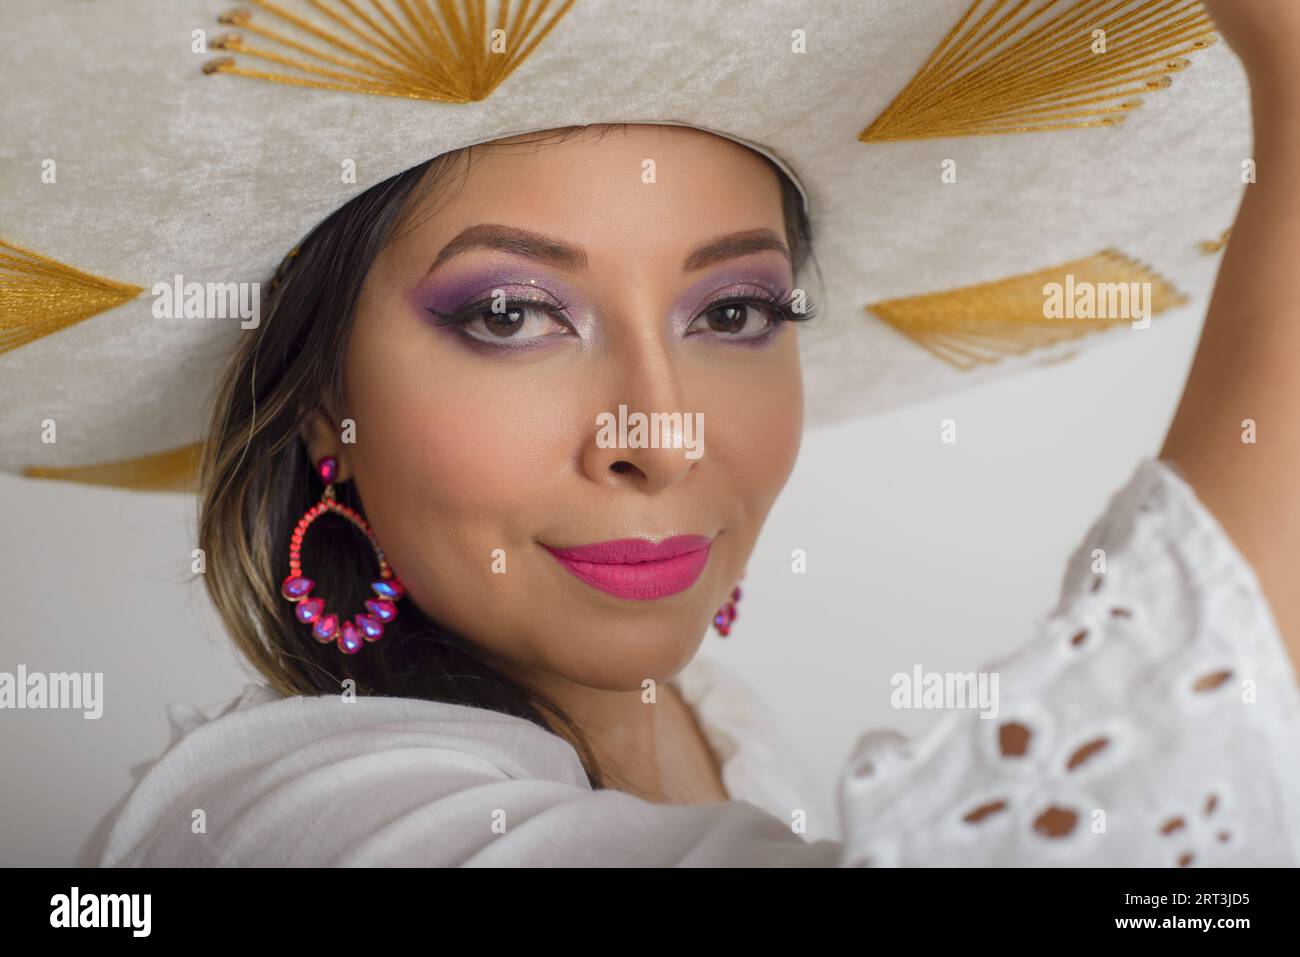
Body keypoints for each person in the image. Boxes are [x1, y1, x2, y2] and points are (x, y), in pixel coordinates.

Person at [3, 0, 1297, 866]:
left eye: (732, 308)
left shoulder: (717, 725)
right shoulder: (301, 819)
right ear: (321, 406)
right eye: (511, 313)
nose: (659, 433)